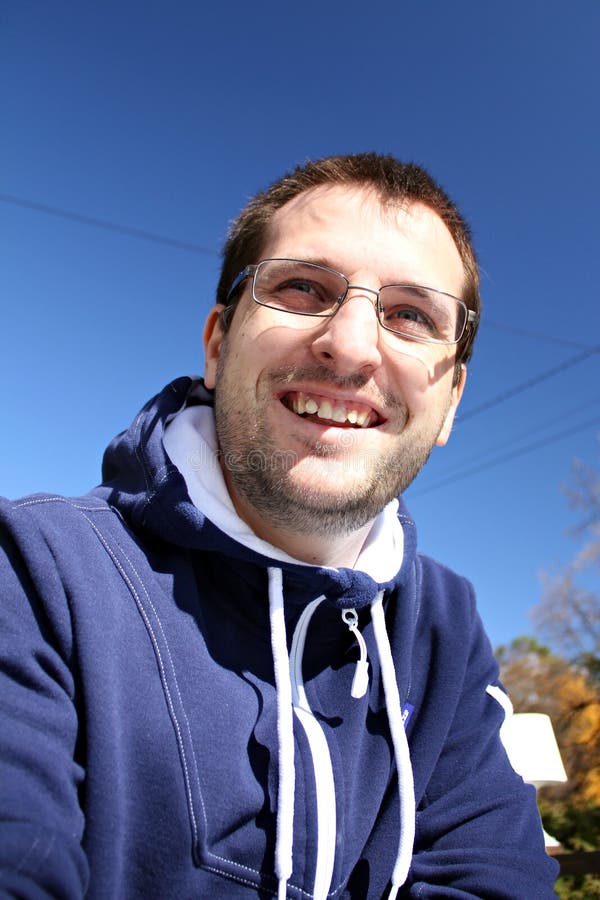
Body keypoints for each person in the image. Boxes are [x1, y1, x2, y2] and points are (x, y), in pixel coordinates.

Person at [0, 153, 558, 899]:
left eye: (411, 315)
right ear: (218, 343)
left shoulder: (442, 632)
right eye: (302, 287)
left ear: (451, 399)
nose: (350, 345)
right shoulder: (32, 575)